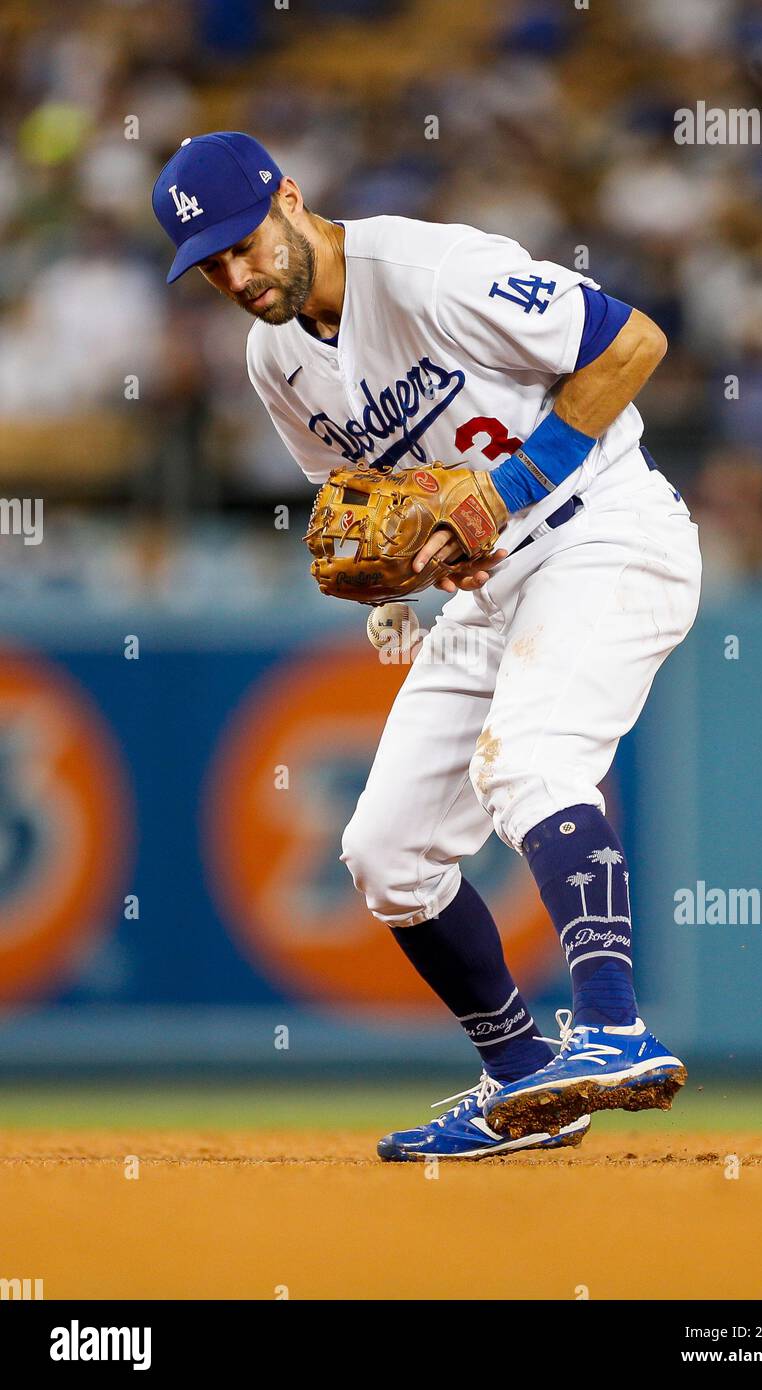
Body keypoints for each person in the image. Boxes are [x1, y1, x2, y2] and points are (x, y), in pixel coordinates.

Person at [153, 131, 702, 1161]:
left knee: (530, 764)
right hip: (484, 595)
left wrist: (500, 491)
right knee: (383, 855)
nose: (235, 274)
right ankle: (525, 1081)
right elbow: (355, 494)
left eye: (243, 244)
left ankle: (614, 1027)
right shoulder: (272, 355)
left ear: (291, 200)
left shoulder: (433, 272)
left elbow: (633, 344)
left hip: (604, 534)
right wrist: (393, 589)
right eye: (212, 265)